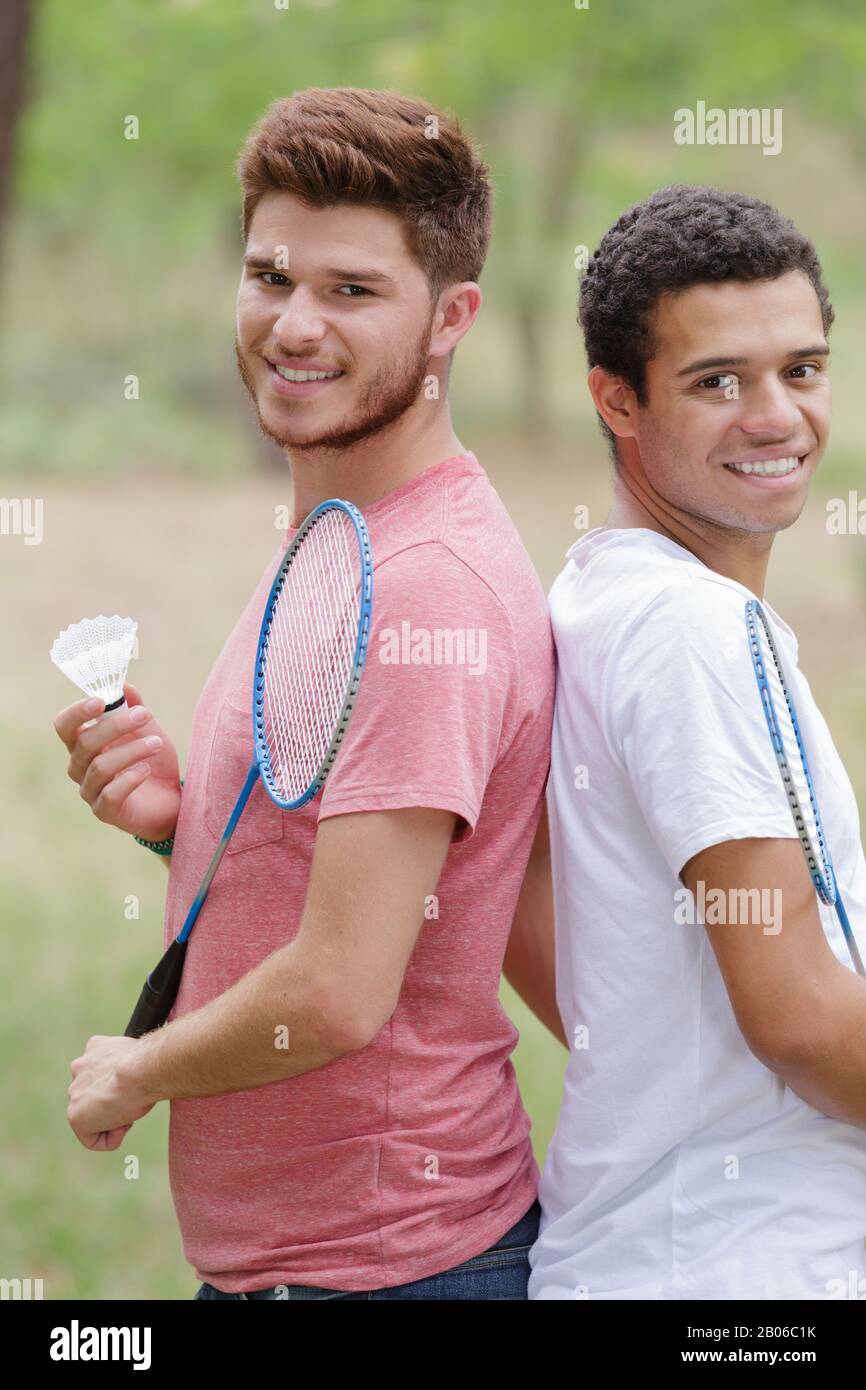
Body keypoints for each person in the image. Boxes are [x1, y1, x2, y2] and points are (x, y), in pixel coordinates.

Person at [54, 87, 561, 1300]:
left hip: (384, 1269)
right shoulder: (345, 523)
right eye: (269, 274)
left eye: (350, 291)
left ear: (452, 320)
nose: (292, 323)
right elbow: (365, 867)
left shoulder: (423, 586)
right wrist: (182, 820)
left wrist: (141, 1068)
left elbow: (337, 992)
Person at [528, 185, 866, 1300]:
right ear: (614, 400)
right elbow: (799, 1019)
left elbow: (551, 947)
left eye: (800, 370)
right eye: (716, 381)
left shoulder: (587, 604)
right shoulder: (693, 629)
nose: (774, 416)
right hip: (745, 1266)